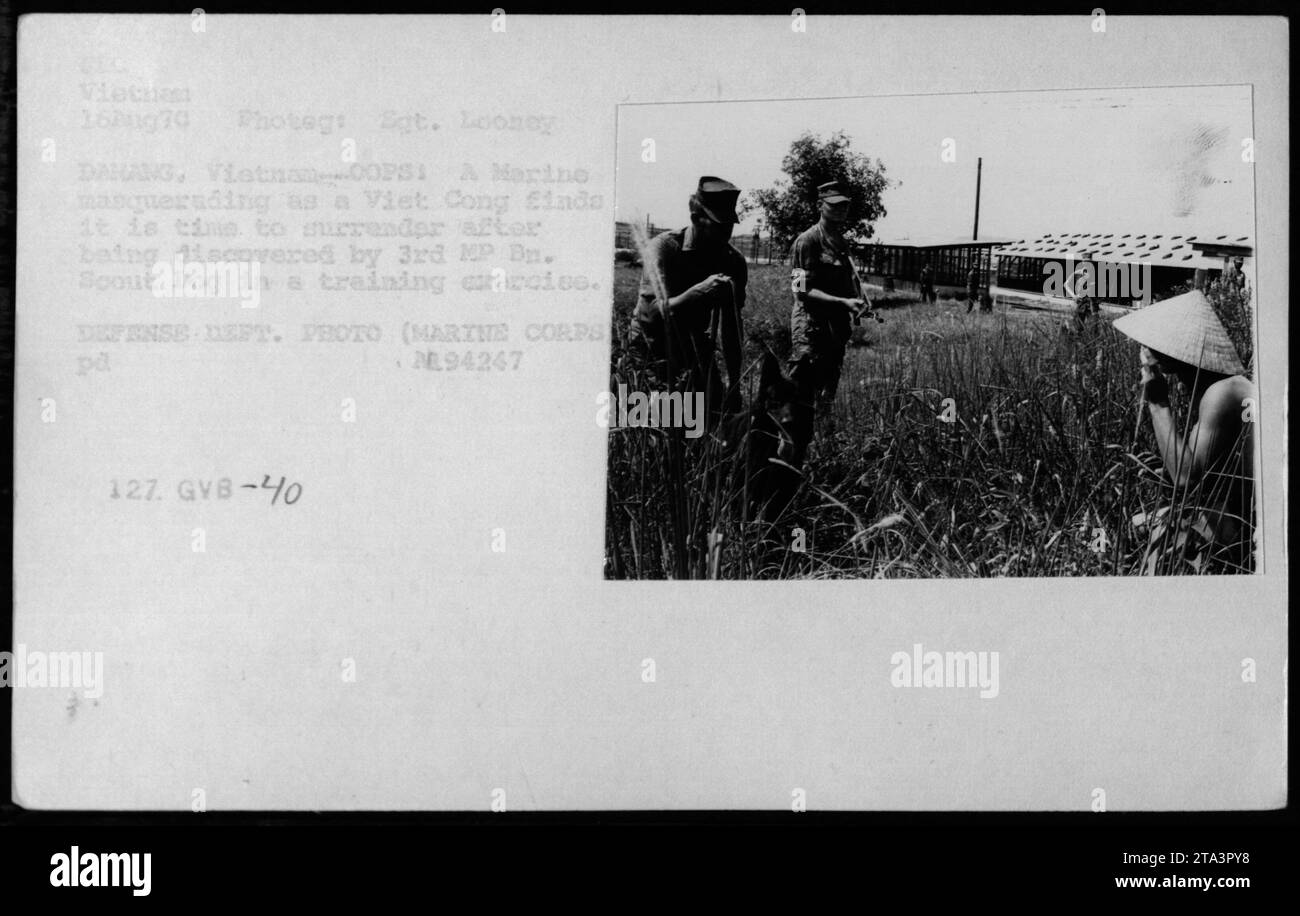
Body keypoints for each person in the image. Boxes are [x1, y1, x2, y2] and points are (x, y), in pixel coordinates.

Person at [1112, 289, 1256, 574]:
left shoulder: (1221, 394)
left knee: (1123, 530)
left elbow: (1185, 477)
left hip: (1240, 532)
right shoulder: (1221, 386)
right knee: (1131, 526)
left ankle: (1100, 566)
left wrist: (1157, 402)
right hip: (1232, 518)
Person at [627, 176, 747, 423]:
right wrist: (699, 292)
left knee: (713, 414)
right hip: (651, 346)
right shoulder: (664, 248)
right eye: (718, 226)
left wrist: (734, 382)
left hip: (693, 344)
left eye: (729, 226)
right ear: (696, 219)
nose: (726, 234)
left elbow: (732, 329)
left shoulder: (733, 261)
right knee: (659, 422)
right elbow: (652, 314)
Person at [788, 180, 867, 448]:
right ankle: (793, 445)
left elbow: (846, 282)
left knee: (827, 391)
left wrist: (856, 301)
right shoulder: (806, 241)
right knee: (801, 391)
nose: (841, 210)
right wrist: (843, 302)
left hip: (835, 328)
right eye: (834, 205)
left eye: (844, 205)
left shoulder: (841, 243)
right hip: (810, 327)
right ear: (819, 205)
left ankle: (821, 446)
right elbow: (800, 292)